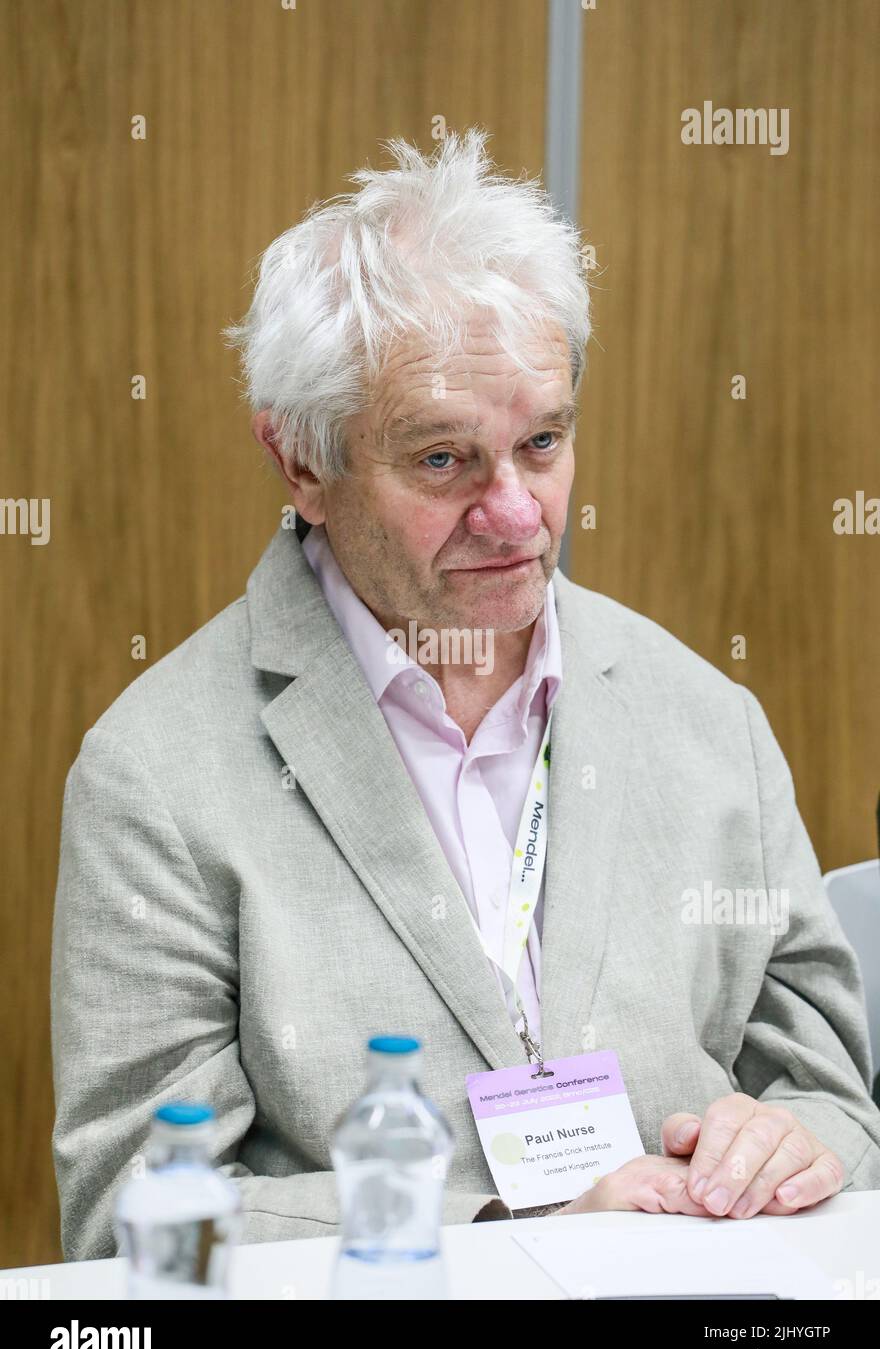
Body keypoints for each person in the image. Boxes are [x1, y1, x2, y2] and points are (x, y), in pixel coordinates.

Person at [51, 129, 880, 1260]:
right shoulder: (157, 771)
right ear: (300, 461)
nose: (516, 513)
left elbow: (834, 1098)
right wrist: (509, 1223)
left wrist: (795, 1138)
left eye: (541, 443)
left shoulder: (707, 721)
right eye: (442, 461)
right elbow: (134, 1216)